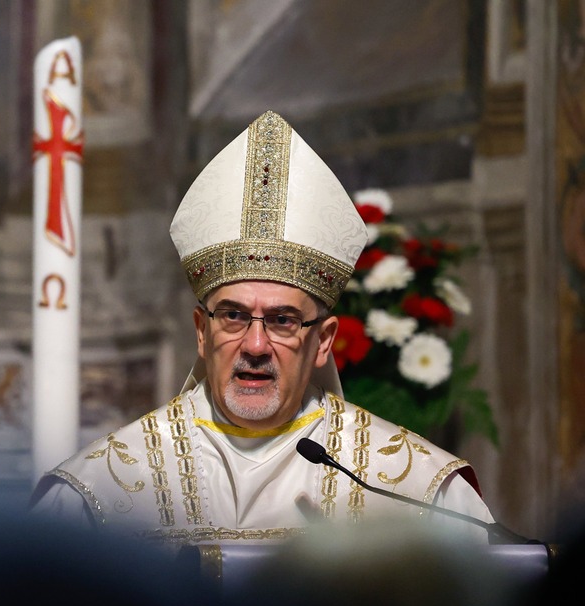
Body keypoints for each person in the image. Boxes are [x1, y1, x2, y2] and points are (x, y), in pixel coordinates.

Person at [29, 109, 498, 547]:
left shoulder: (413, 487)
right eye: (233, 315)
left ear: (324, 340)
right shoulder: (99, 490)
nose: (255, 344)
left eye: (282, 320)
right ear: (200, 330)